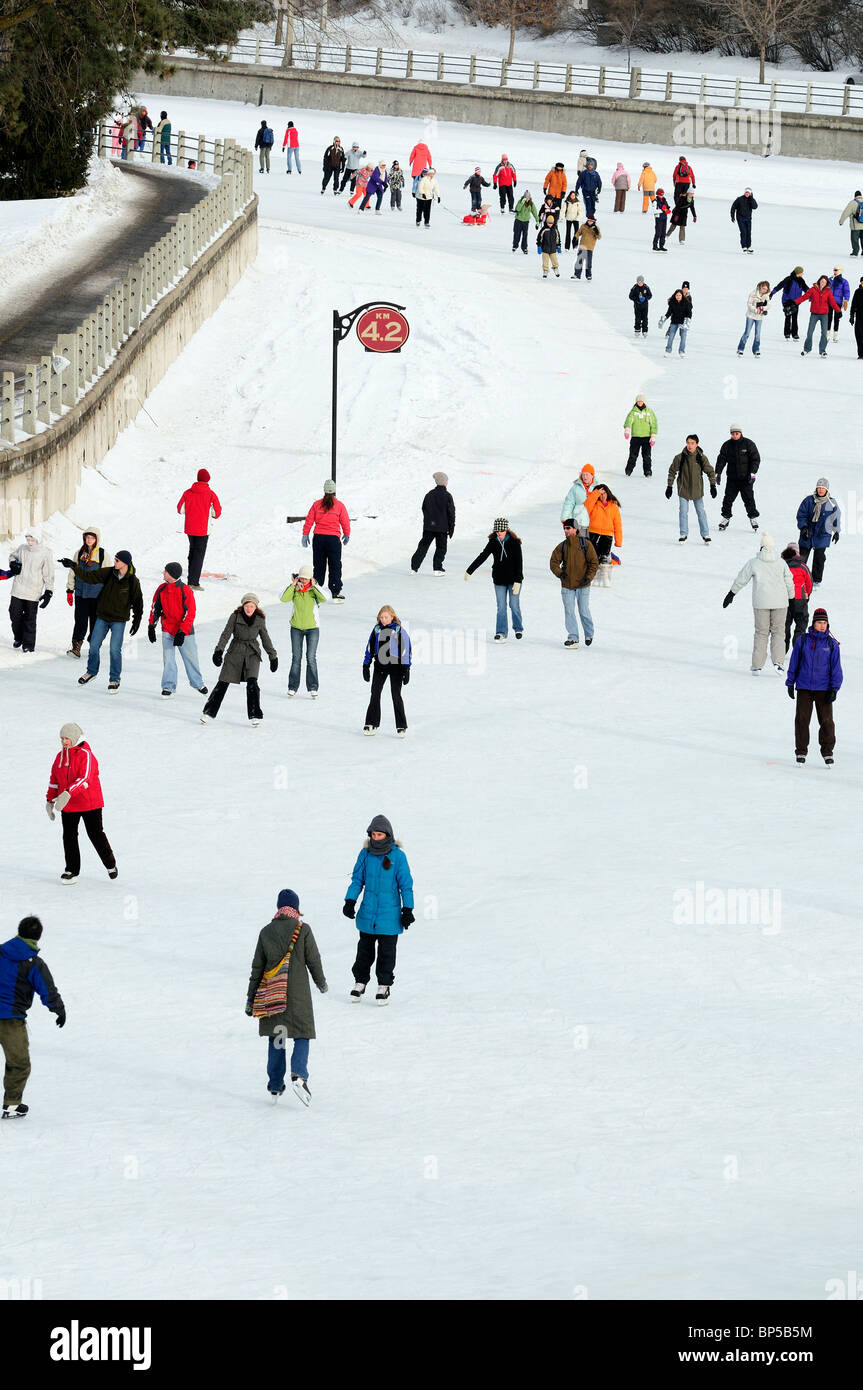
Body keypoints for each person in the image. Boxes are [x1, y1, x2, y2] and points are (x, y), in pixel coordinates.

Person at [246, 888, 327, 1104]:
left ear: (278, 908)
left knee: (278, 1038)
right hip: (298, 997)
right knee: (302, 1034)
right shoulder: (303, 930)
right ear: (296, 908)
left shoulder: (266, 932)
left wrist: (250, 1000)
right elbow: (314, 959)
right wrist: (321, 983)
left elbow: (257, 968)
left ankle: (274, 1085)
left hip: (273, 997)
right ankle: (299, 1074)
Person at [343, 815, 414, 1005]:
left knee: (386, 953)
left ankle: (384, 985)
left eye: (379, 834)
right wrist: (350, 900)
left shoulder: (397, 856)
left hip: (390, 916)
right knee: (364, 951)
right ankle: (360, 982)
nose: (376, 838)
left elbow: (405, 885)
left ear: (388, 835)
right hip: (368, 914)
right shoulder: (365, 854)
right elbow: (357, 880)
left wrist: (408, 909)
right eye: (373, 834)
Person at [0, 916, 65, 1119]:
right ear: (39, 936)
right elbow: (47, 990)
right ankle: (11, 1105)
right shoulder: (34, 964)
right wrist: (59, 1010)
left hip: (11, 1016)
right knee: (19, 1063)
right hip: (11, 1020)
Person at [60, 549, 142, 690]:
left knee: (114, 650)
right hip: (103, 617)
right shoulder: (109, 572)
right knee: (93, 646)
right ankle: (91, 672)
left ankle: (114, 679)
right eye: (115, 559)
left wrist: (137, 620)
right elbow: (89, 577)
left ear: (125, 563)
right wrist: (74, 566)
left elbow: (138, 602)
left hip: (118, 620)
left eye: (117, 560)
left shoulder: (133, 581)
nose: (114, 562)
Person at [46, 722, 118, 881]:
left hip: (89, 803)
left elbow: (85, 779)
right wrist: (50, 800)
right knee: (69, 836)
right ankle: (71, 870)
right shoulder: (60, 756)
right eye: (62, 738)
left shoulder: (86, 755)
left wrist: (67, 793)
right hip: (68, 805)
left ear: (75, 738)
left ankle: (110, 863)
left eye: (67, 738)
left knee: (95, 834)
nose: (64, 741)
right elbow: (54, 780)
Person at [722, 532, 794, 674]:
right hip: (780, 603)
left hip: (761, 603)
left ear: (761, 547)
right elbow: (789, 582)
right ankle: (778, 663)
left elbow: (742, 578)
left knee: (761, 633)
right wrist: (792, 599)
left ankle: (757, 665)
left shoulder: (754, 562)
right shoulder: (781, 563)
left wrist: (731, 593)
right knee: (779, 632)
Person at [202, 595, 278, 727]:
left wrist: (273, 656)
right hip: (235, 652)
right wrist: (218, 651)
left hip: (252, 653)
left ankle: (254, 714)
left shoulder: (259, 620)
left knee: (252, 684)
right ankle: (208, 712)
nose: (249, 609)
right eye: (247, 606)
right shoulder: (235, 617)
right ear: (243, 606)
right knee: (223, 683)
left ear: (256, 607)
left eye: (252, 606)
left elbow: (265, 638)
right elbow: (226, 634)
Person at [786, 608, 842, 765]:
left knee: (826, 721)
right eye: (819, 623)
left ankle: (827, 752)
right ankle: (801, 751)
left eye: (825, 623)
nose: (822, 626)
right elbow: (794, 663)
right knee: (802, 720)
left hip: (824, 689)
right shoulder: (803, 641)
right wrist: (790, 683)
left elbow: (836, 668)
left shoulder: (832, 645)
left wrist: (834, 688)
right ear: (813, 624)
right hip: (804, 687)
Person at [148, 563, 207, 699]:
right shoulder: (161, 589)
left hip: (184, 632)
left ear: (171, 574)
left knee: (191, 658)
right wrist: (151, 626)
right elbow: (155, 608)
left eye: (165, 571)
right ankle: (168, 686)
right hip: (168, 629)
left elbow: (190, 612)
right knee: (168, 660)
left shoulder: (185, 590)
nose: (163, 572)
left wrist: (182, 632)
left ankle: (197, 683)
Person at [465, 518, 524, 642]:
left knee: (514, 605)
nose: (499, 533)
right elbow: (483, 556)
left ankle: (518, 628)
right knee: (501, 607)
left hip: (514, 580)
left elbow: (519, 562)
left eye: (501, 530)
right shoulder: (493, 542)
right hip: (499, 579)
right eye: (497, 530)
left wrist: (518, 580)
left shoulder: (514, 542)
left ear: (506, 530)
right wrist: (470, 570)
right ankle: (501, 633)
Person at [362, 606, 411, 737]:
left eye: (386, 617)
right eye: (381, 618)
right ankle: (371, 723)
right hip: (380, 666)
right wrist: (366, 665)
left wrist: (406, 668)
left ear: (392, 617)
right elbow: (370, 647)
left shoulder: (398, 630)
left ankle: (401, 725)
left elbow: (406, 649)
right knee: (375, 693)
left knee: (396, 695)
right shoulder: (377, 630)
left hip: (396, 667)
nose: (383, 620)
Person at [550, 520, 598, 649]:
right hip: (567, 585)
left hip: (583, 585)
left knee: (583, 611)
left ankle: (589, 633)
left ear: (575, 529)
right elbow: (554, 562)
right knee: (569, 611)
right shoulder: (562, 546)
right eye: (564, 528)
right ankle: (573, 638)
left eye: (568, 528)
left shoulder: (586, 544)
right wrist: (560, 573)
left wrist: (588, 578)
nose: (565, 530)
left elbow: (594, 563)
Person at [280, 565, 325, 697]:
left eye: (306, 578)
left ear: (310, 578)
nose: (303, 581)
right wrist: (292, 585)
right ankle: (292, 687)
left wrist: (314, 585)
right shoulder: (295, 590)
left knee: (311, 658)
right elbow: (283, 598)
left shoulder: (314, 590)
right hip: (296, 629)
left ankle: (313, 687)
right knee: (296, 658)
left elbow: (325, 597)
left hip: (312, 629)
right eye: (302, 578)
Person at [302, 479, 349, 601]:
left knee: (318, 565)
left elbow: (309, 520)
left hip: (319, 539)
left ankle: (317, 590)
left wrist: (305, 534)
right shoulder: (339, 505)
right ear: (334, 491)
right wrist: (347, 534)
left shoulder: (316, 504)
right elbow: (345, 521)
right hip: (333, 540)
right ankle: (335, 591)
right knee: (335, 565)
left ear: (324, 490)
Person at [6, 531, 53, 653]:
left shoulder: (45, 553)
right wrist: (13, 563)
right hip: (18, 588)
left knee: (30, 619)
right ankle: (19, 637)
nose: (30, 543)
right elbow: (12, 556)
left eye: (32, 540)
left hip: (34, 591)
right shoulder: (22, 548)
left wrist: (48, 591)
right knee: (14, 614)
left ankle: (28, 645)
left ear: (38, 540)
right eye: (28, 540)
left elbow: (48, 574)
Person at [666, 434, 716, 543]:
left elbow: (710, 471)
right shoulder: (680, 457)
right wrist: (669, 486)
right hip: (683, 489)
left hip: (697, 490)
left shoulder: (701, 457)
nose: (690, 445)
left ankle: (705, 534)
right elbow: (672, 471)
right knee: (683, 512)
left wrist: (713, 485)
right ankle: (683, 534)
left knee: (701, 512)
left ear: (697, 444)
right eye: (688, 443)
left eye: (692, 443)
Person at [177, 468, 221, 590]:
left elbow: (180, 509)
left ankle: (191, 580)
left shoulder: (187, 492)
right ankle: (193, 583)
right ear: (208, 479)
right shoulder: (211, 494)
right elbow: (216, 513)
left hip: (190, 528)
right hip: (203, 530)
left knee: (192, 552)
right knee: (199, 555)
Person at [65, 527, 104, 658]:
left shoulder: (102, 555)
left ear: (96, 539)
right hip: (81, 594)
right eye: (87, 537)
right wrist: (70, 589)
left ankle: (94, 647)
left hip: (97, 595)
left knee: (96, 622)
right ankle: (76, 647)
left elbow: (108, 575)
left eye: (92, 538)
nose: (89, 540)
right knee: (80, 621)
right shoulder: (79, 553)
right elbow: (72, 572)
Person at [796, 477, 841, 588]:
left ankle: (816, 580)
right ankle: (800, 578)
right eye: (819, 488)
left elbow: (835, 518)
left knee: (819, 558)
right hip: (808, 534)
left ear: (827, 490)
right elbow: (801, 515)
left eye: (823, 488)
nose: (820, 490)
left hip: (822, 534)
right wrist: (803, 527)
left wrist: (836, 532)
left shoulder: (832, 503)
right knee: (802, 557)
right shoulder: (808, 500)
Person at [716, 426, 760, 532]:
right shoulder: (727, 445)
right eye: (733, 434)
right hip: (732, 479)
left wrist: (752, 473)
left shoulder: (749, 444)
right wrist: (718, 473)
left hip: (746, 479)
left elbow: (755, 459)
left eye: (737, 433)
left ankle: (753, 518)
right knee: (728, 499)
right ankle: (726, 517)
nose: (735, 435)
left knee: (749, 499)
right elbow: (721, 460)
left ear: (740, 433)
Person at [411, 471, 455, 574]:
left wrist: (429, 521)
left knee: (423, 546)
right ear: (444, 482)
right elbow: (451, 513)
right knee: (441, 548)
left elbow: (424, 508)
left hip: (429, 527)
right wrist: (451, 527)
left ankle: (414, 567)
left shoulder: (429, 494)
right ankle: (437, 568)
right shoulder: (447, 496)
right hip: (442, 528)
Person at [794, 275, 841, 357]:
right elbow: (805, 297)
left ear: (826, 283)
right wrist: (795, 302)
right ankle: (806, 349)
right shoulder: (813, 289)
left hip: (824, 315)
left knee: (824, 333)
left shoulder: (828, 291)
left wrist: (838, 310)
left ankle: (822, 351)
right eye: (822, 281)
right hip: (814, 314)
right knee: (810, 332)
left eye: (825, 282)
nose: (823, 283)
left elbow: (832, 302)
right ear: (819, 281)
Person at [585, 483, 622, 585]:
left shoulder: (613, 506)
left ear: (608, 493)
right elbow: (586, 507)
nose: (602, 496)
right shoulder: (594, 504)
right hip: (593, 534)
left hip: (607, 535)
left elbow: (617, 524)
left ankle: (605, 577)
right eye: (600, 494)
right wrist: (595, 494)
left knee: (604, 557)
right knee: (594, 556)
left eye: (604, 493)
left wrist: (618, 540)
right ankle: (595, 576)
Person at [781, 542, 812, 653]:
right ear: (798, 553)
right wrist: (807, 596)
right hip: (800, 599)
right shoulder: (803, 566)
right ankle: (798, 649)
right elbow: (809, 583)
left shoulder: (782, 566)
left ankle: (782, 649)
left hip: (785, 599)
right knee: (801, 623)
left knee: (785, 624)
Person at [769, 266, 807, 341]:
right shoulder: (788, 279)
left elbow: (806, 289)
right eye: (801, 272)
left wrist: (812, 296)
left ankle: (795, 334)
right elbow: (779, 286)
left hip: (796, 301)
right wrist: (772, 293)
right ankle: (787, 334)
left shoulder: (801, 281)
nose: (802, 274)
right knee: (788, 316)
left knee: (795, 317)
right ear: (798, 273)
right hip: (787, 300)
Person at [624, 395, 657, 475]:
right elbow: (628, 421)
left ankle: (648, 471)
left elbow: (654, 424)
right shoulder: (633, 412)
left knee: (647, 456)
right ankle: (628, 470)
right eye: (638, 401)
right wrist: (627, 430)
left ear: (644, 402)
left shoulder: (649, 412)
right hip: (636, 437)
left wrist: (653, 436)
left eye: (641, 401)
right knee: (633, 455)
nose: (640, 403)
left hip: (646, 438)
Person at [737, 281, 770, 356]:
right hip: (751, 316)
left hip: (759, 317)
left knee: (757, 334)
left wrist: (762, 309)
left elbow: (769, 305)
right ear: (760, 287)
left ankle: (756, 349)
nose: (764, 290)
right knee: (747, 333)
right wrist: (755, 310)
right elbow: (749, 304)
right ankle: (740, 349)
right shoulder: (753, 294)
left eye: (766, 289)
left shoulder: (766, 296)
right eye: (763, 288)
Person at [561, 464, 595, 529]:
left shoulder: (598, 487)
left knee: (591, 539)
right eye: (583, 474)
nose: (585, 477)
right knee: (578, 539)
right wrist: (565, 518)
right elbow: (569, 503)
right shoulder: (575, 488)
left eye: (587, 475)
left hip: (594, 522)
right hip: (579, 521)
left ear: (592, 475)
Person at [662, 288, 691, 356]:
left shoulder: (686, 303)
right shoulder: (672, 303)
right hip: (674, 322)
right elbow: (669, 312)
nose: (678, 296)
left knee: (683, 337)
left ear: (682, 296)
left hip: (683, 322)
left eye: (679, 295)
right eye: (677, 295)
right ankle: (668, 350)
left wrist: (687, 321)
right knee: (671, 336)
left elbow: (689, 313)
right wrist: (664, 318)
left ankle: (681, 351)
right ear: (675, 296)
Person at [571, 215, 601, 281]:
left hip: (590, 248)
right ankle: (577, 274)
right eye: (589, 220)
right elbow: (579, 232)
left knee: (588, 263)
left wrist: (596, 231)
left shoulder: (596, 228)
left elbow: (599, 237)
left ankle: (588, 275)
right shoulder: (583, 226)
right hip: (582, 246)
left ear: (594, 221)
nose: (589, 222)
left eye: (591, 221)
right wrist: (575, 237)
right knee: (579, 261)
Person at [828, 264, 850, 342]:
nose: (834, 271)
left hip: (837, 302)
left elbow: (846, 291)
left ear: (840, 271)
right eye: (834, 270)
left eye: (836, 270)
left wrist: (846, 300)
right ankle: (827, 333)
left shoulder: (844, 281)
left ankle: (835, 334)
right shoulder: (829, 279)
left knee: (837, 318)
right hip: (829, 301)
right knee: (828, 317)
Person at [838, 188, 863, 257]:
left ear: (855, 196)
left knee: (854, 240)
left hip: (855, 226)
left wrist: (841, 221)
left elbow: (845, 213)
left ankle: (855, 252)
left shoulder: (852, 203)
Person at [537, 214, 561, 279]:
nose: (550, 224)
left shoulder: (555, 229)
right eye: (549, 223)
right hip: (545, 249)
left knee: (554, 260)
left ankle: (555, 268)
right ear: (546, 222)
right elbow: (539, 238)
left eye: (551, 223)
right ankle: (545, 270)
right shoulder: (544, 229)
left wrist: (558, 246)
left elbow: (558, 238)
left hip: (553, 249)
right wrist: (539, 246)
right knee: (545, 261)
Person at [850, 274, 863, 357]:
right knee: (858, 335)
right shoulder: (857, 291)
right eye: (862, 282)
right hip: (859, 317)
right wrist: (851, 316)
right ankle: (861, 354)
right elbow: (853, 305)